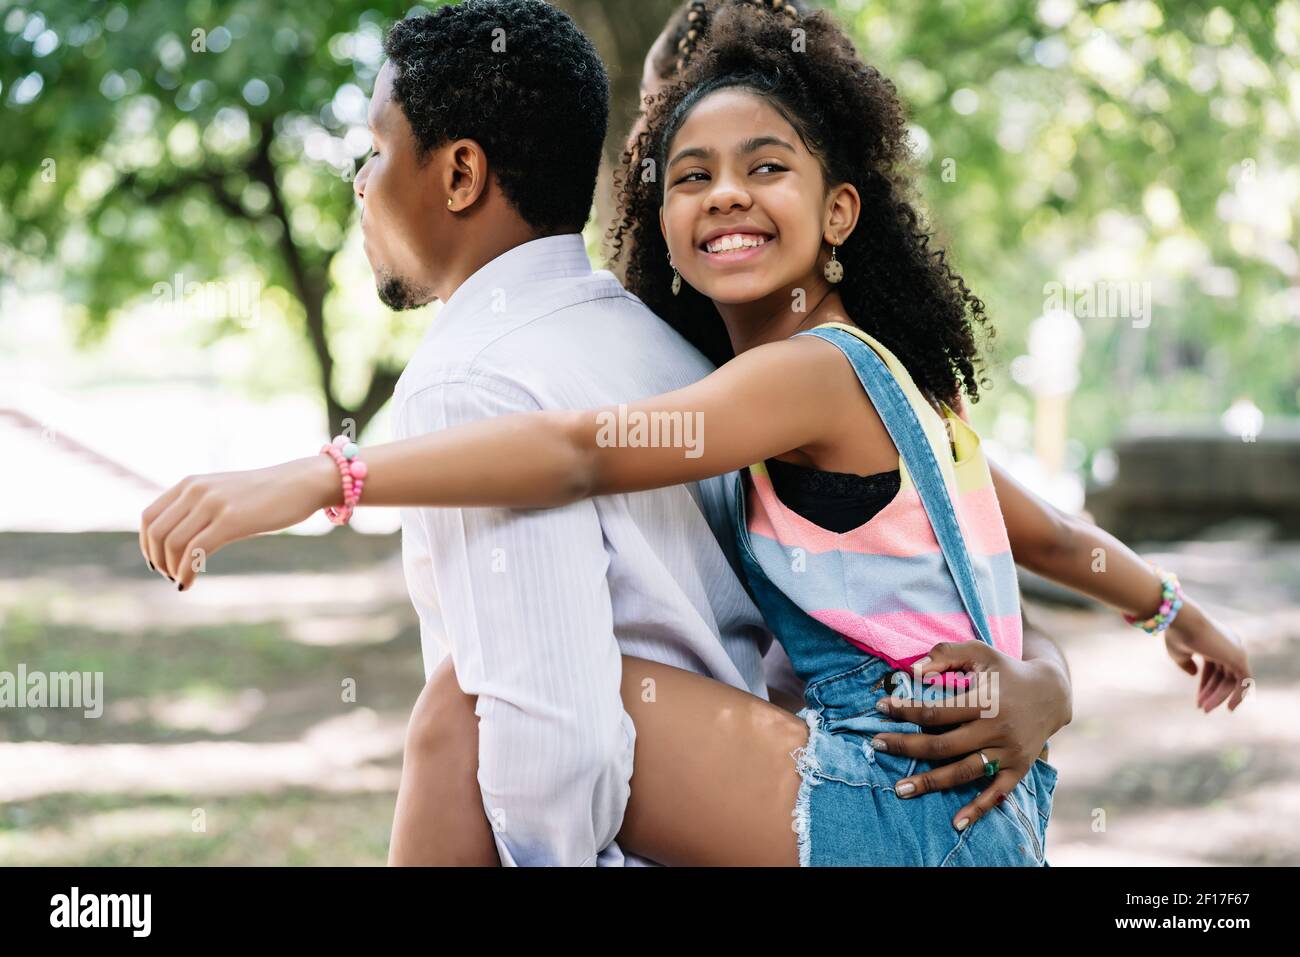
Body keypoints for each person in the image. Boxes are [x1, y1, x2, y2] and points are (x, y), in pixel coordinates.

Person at [137, 0, 1159, 864]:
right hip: (927, 808)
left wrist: (327, 477)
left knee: (463, 708)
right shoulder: (698, 357)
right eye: (685, 171)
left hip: (888, 809)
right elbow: (998, 540)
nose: (357, 179)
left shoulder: (516, 382)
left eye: (373, 146)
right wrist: (1094, 653)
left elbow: (561, 724)